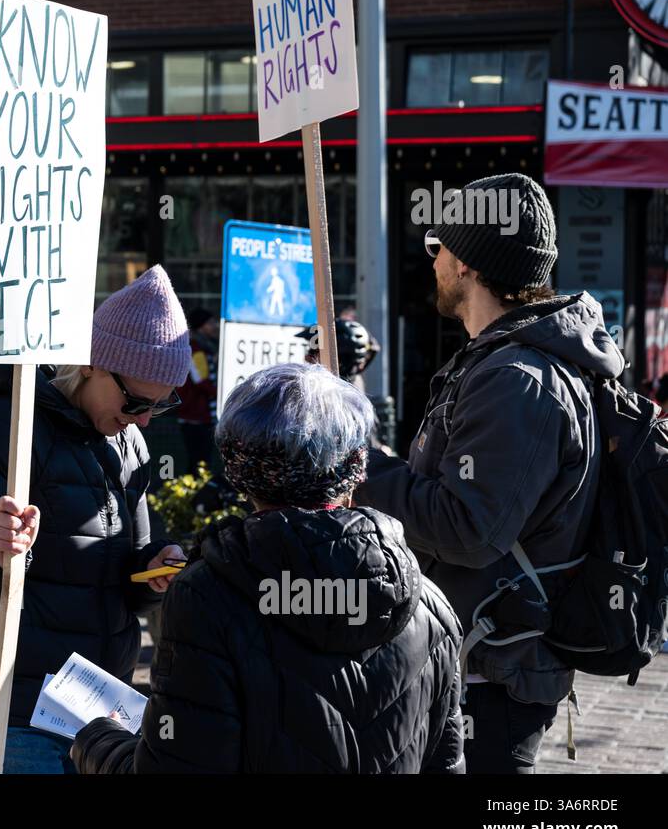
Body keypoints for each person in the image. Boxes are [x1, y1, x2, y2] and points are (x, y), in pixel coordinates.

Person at [71, 363, 464, 773]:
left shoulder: (208, 596)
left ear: (239, 471)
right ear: (355, 467)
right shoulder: (429, 603)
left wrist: (96, 738)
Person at [355, 173, 624, 774]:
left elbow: (469, 529)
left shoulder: (516, 380)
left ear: (470, 264)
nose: (432, 260)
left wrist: (362, 468)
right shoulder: (501, 363)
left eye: (439, 246)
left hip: (493, 675)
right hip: (478, 660)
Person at [0, 265, 190, 774]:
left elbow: (123, 582)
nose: (144, 419)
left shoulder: (129, 441)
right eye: (135, 401)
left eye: (162, 405)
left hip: (100, 715)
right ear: (90, 364)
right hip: (9, 714)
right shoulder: (2, 428)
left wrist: (154, 571)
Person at [297, 316, 393, 449]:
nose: (307, 358)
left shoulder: (335, 395)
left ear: (340, 359)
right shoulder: (352, 379)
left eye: (314, 353)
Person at [176, 307, 220, 477]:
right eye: (211, 323)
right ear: (201, 326)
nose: (215, 326)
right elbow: (201, 380)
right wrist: (222, 393)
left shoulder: (202, 347)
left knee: (200, 461)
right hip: (196, 416)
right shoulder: (196, 348)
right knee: (199, 462)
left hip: (199, 416)